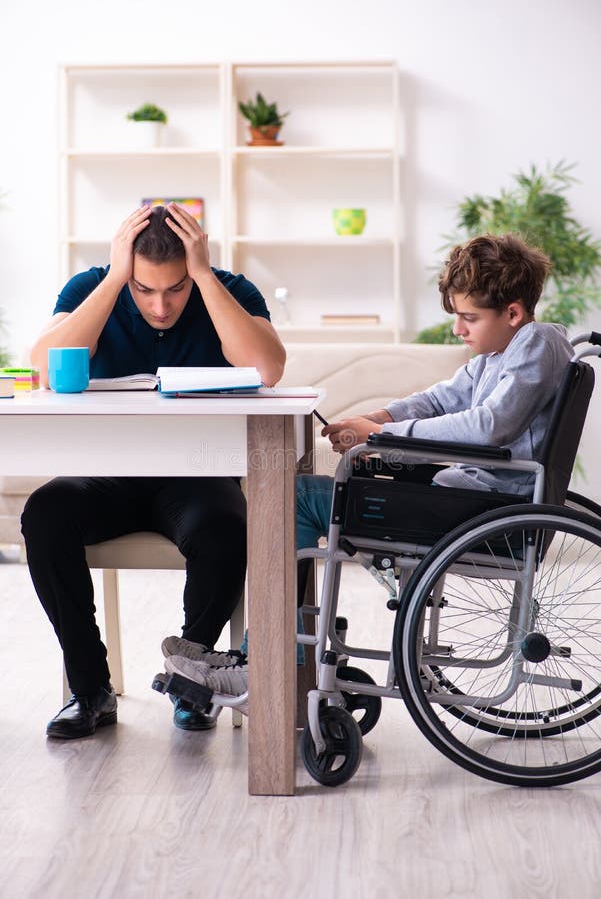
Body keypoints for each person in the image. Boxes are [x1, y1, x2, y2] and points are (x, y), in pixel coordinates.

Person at [161, 232, 574, 699]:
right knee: (320, 489)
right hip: (471, 500)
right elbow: (442, 398)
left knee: (288, 498)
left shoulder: (537, 342)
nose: (458, 329)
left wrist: (378, 435)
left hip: (484, 512)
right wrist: (380, 417)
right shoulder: (500, 354)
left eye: (469, 317)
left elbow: (490, 426)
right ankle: (276, 655)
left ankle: (270, 662)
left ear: (513, 313)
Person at [22, 203, 285, 738]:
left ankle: (194, 680)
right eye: (144, 290)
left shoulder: (228, 289)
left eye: (175, 289)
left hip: (198, 477)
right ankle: (91, 689)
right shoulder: (93, 287)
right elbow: (42, 365)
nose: (160, 306)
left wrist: (206, 278)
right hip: (107, 474)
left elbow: (268, 369)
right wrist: (117, 278)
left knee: (227, 529)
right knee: (45, 513)